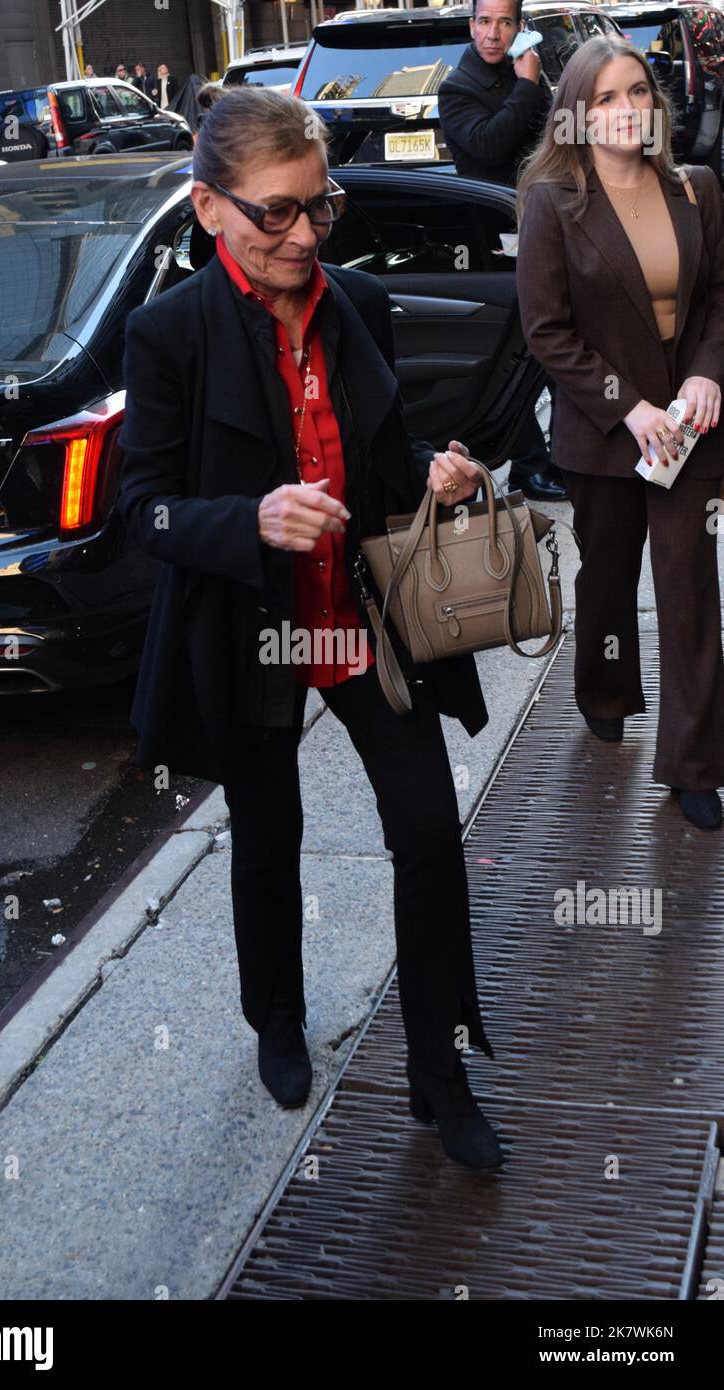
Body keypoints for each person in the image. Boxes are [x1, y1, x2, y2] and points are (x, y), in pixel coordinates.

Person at [117, 85, 505, 1169]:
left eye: (317, 206)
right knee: (268, 831)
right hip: (251, 629)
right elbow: (141, 509)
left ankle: (439, 1069)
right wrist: (249, 518)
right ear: (210, 207)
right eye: (275, 212)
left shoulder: (357, 304)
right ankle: (278, 1019)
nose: (302, 234)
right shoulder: (169, 334)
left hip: (363, 615)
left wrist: (438, 473)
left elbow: (384, 457)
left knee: (428, 830)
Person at [516, 35, 724, 830]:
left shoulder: (696, 188)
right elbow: (548, 330)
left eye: (637, 91)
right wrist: (628, 407)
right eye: (605, 97)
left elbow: (719, 298)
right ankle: (604, 690)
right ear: (576, 112)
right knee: (608, 576)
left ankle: (694, 765)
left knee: (689, 589)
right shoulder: (553, 203)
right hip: (606, 432)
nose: (626, 109)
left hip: (691, 430)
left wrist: (706, 374)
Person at [438, 0, 566, 502]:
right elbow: (489, 145)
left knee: (555, 340)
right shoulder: (458, 87)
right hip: (492, 235)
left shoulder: (524, 71)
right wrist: (527, 87)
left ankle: (563, 457)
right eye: (485, 22)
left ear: (518, 27)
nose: (493, 33)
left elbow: (556, 138)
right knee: (515, 351)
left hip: (544, 225)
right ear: (472, 26)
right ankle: (529, 465)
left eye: (504, 22)